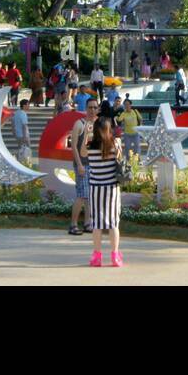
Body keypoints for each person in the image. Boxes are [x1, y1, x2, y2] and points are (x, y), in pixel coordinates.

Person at [85, 116, 124, 267]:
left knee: (97, 224)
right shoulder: (115, 144)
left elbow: (82, 153)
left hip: (95, 188)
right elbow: (120, 161)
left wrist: (86, 135)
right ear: (109, 129)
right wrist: (116, 138)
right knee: (113, 223)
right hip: (112, 188)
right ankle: (115, 256)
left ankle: (97, 256)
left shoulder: (90, 147)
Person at [68, 105, 98, 235]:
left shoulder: (97, 124)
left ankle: (87, 223)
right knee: (82, 195)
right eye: (90, 107)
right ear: (86, 109)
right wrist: (79, 164)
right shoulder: (79, 124)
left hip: (93, 165)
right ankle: (73, 225)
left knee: (90, 196)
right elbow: (73, 146)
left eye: (95, 107)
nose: (92, 110)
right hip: (82, 165)